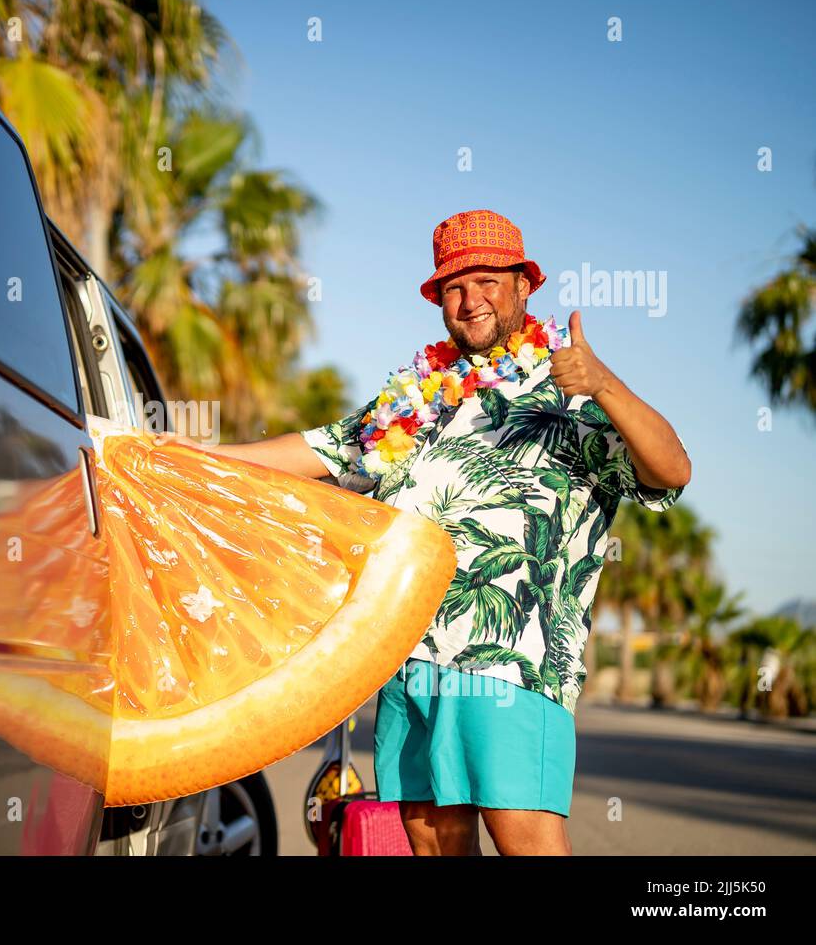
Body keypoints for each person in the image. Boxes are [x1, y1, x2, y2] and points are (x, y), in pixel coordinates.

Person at [174, 209, 690, 855]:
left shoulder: (569, 388)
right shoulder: (417, 397)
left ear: (524, 287)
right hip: (409, 659)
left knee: (525, 839)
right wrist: (186, 458)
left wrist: (603, 382)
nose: (470, 300)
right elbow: (317, 450)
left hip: (512, 666)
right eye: (454, 286)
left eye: (487, 282)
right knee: (431, 842)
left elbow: (673, 468)